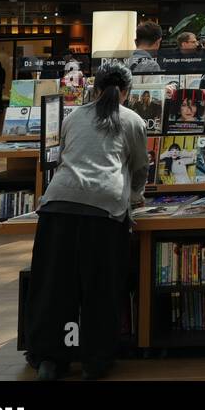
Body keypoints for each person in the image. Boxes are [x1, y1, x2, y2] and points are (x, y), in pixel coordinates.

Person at [24, 60, 148, 380]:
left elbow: (66, 155)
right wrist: (134, 197)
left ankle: (50, 359)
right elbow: (139, 169)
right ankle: (95, 359)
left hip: (57, 206)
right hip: (104, 211)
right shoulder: (133, 120)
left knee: (55, 286)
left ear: (94, 88)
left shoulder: (73, 116)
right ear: (126, 92)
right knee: (100, 287)